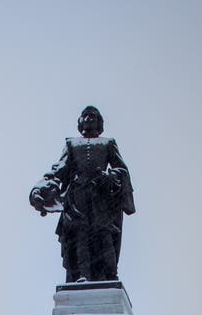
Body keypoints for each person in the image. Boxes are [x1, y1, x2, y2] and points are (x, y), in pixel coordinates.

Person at [30, 106, 135, 282]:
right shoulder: (71, 144)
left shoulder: (108, 143)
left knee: (104, 234)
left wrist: (111, 176)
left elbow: (121, 168)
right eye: (85, 115)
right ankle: (83, 275)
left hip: (100, 196)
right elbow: (59, 169)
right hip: (77, 195)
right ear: (80, 121)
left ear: (100, 122)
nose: (89, 118)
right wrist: (41, 187)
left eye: (93, 116)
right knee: (81, 235)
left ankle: (111, 275)